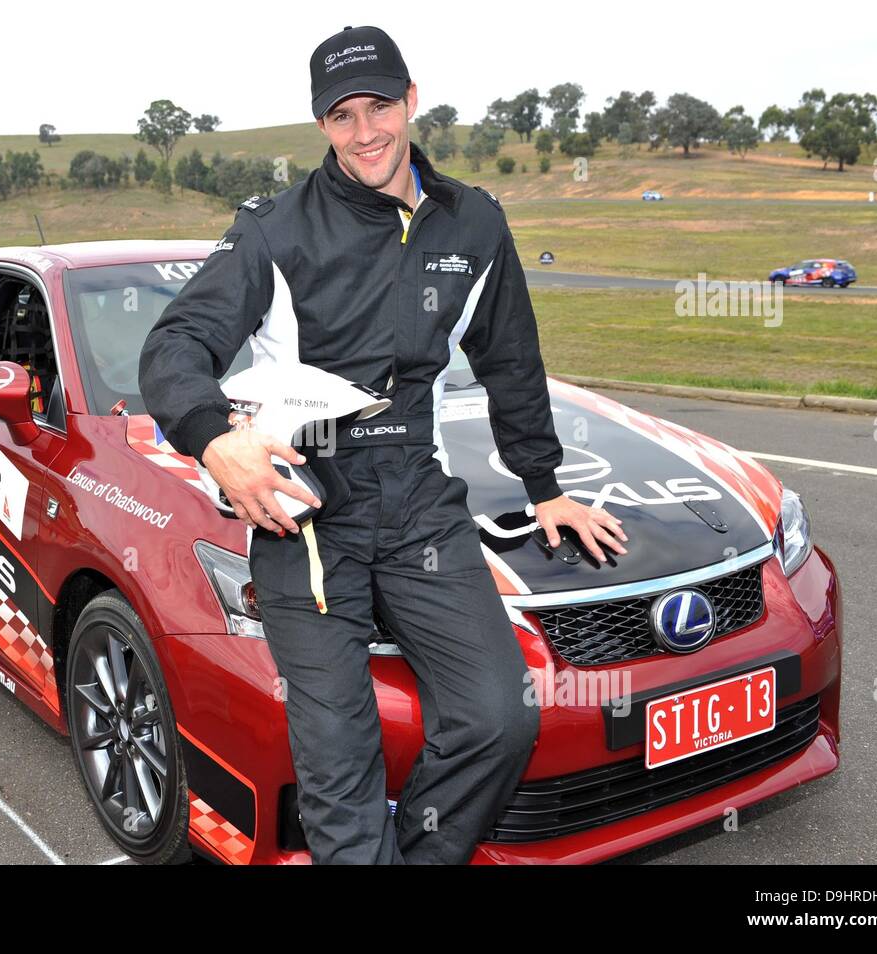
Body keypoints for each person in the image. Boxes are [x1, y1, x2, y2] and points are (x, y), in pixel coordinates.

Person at [138, 25, 628, 864]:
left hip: (419, 501)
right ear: (322, 125)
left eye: (379, 107)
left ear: (411, 100)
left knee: (499, 719)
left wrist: (542, 484)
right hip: (308, 508)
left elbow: (510, 358)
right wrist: (217, 438)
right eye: (342, 116)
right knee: (340, 768)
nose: (365, 132)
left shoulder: (474, 222)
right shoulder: (273, 229)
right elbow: (174, 347)